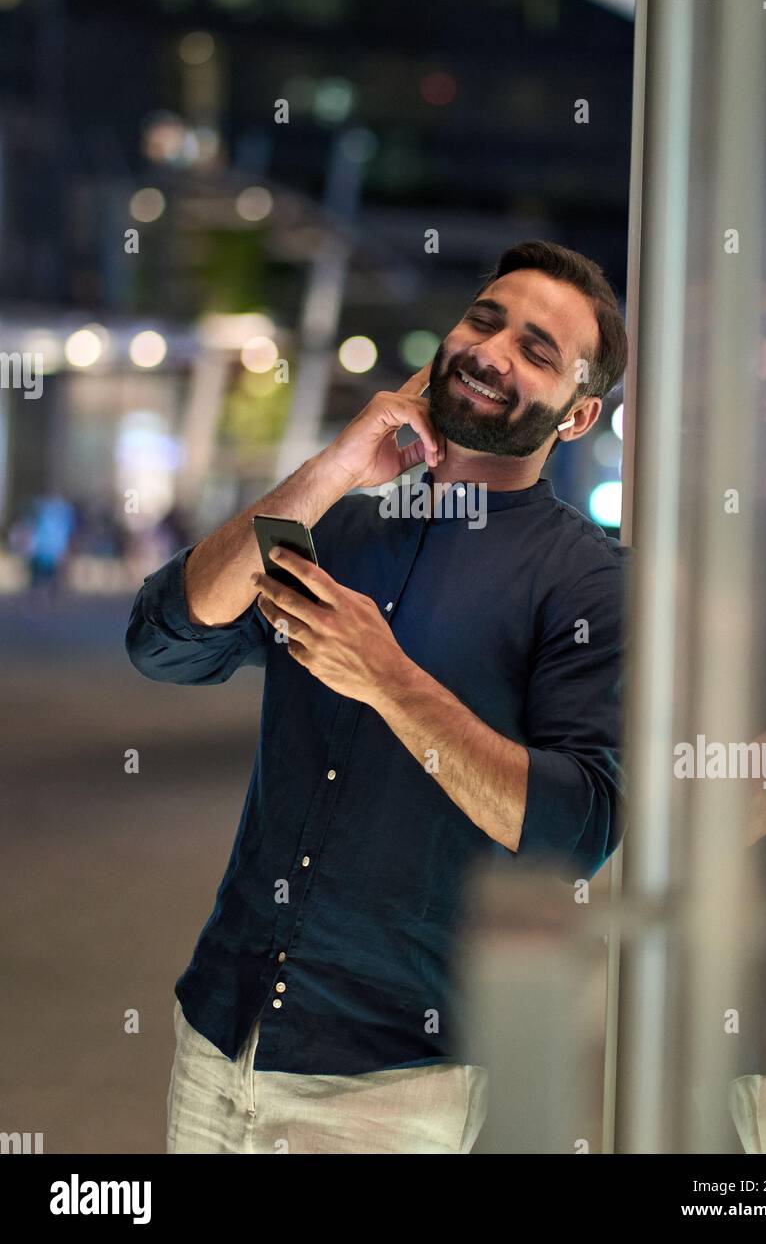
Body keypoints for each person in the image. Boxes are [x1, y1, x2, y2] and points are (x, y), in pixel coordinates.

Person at [125, 239, 630, 1154]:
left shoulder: (590, 584)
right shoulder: (344, 522)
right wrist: (335, 466)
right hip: (218, 1035)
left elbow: (577, 830)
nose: (493, 351)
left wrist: (388, 677)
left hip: (393, 1082)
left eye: (538, 351)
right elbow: (167, 644)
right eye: (486, 320)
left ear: (579, 414)